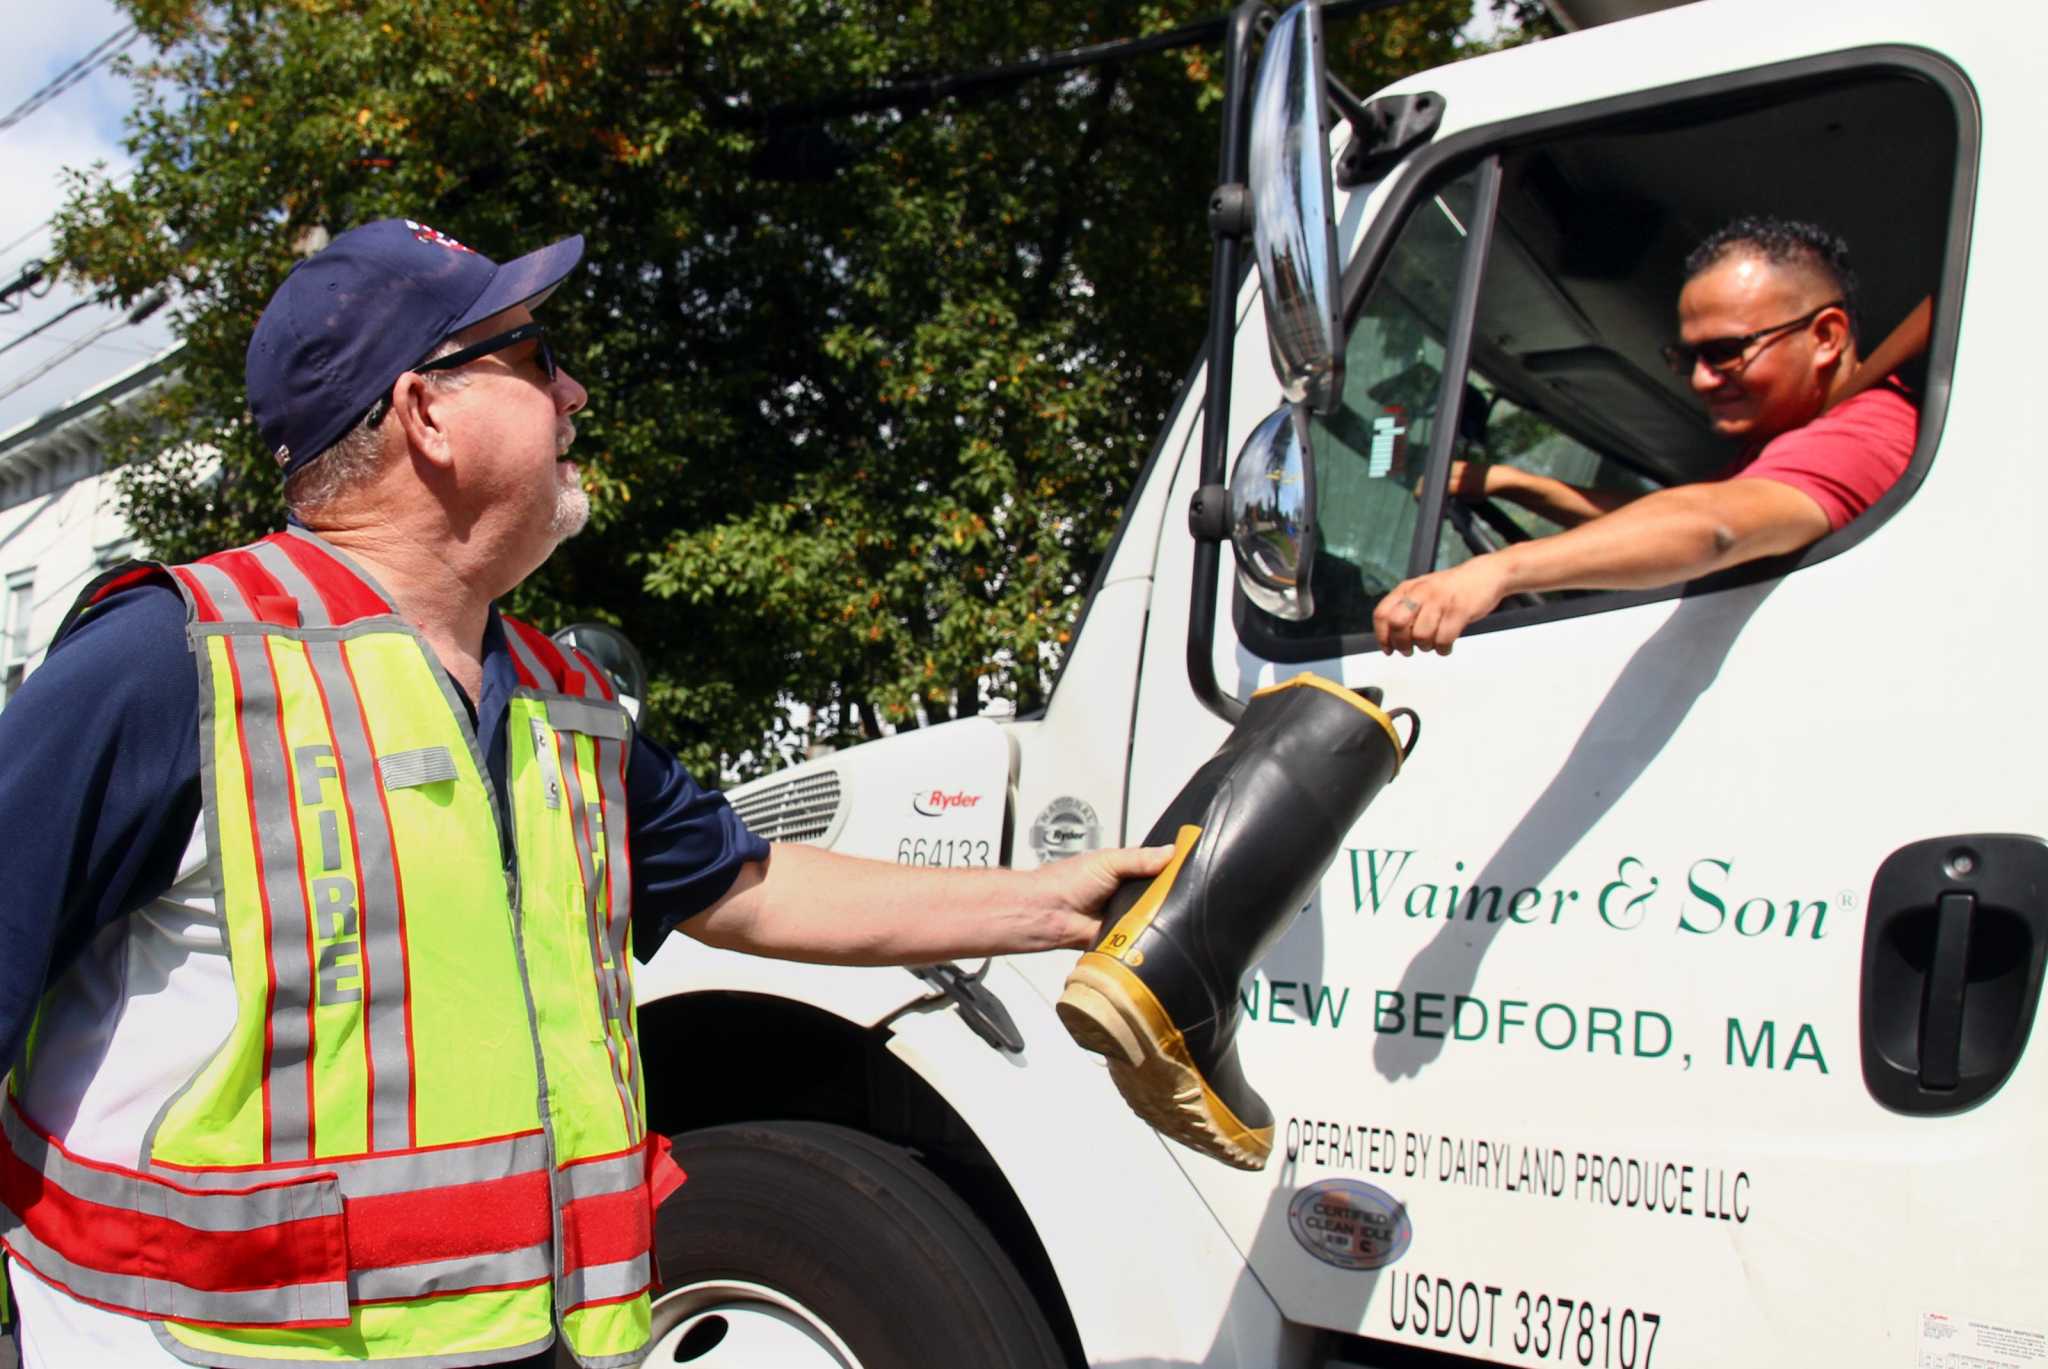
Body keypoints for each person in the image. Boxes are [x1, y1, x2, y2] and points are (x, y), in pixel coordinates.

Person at [0, 218, 1170, 1368]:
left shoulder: (559, 699)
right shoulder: (172, 663)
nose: (575, 394)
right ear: (426, 412)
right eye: (534, 358)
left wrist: (1050, 903)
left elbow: (748, 887)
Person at [1373, 216, 1920, 655]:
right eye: (1689, 357)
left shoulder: (1864, 435)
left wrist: (1497, 571)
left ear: (1826, 337)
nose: (1702, 380)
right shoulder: (1792, 441)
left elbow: (1712, 527)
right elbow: (1661, 517)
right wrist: (1513, 483)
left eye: (1725, 352)